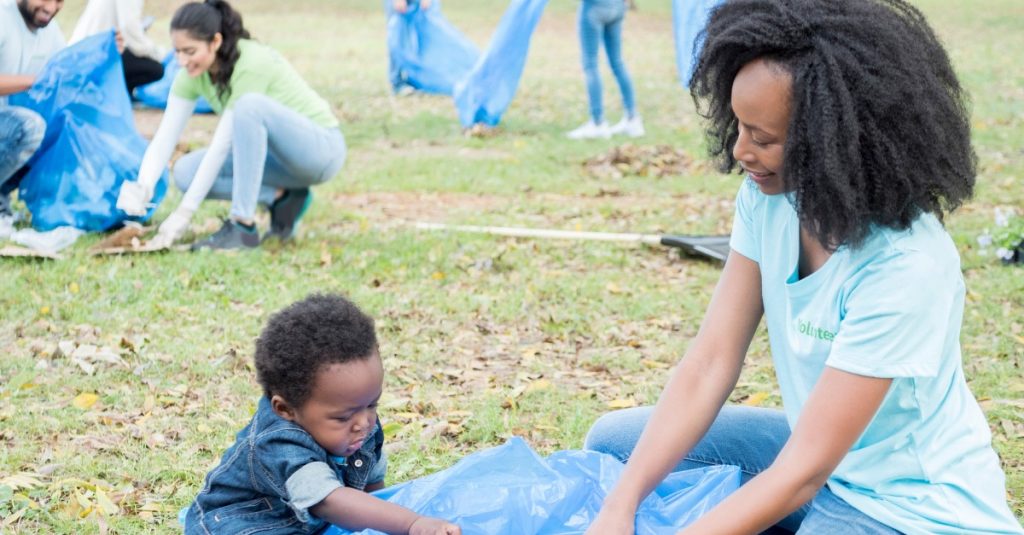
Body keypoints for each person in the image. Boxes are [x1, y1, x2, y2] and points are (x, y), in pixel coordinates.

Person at [582, 0, 1024, 533]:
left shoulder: (906, 265)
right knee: (615, 448)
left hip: (907, 507)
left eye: (762, 138)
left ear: (833, 140)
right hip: (818, 462)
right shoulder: (767, 198)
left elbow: (801, 474)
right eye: (738, 126)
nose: (739, 150)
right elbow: (711, 362)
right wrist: (620, 504)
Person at [184, 293, 461, 535]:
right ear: (286, 409)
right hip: (238, 526)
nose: (364, 423)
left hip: (304, 524)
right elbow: (328, 500)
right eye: (343, 417)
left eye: (372, 404)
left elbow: (374, 490)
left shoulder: (357, 420)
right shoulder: (279, 444)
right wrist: (411, 523)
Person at [116, 0, 347, 250]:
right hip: (277, 160)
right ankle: (283, 197)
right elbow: (164, 138)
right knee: (185, 172)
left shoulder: (251, 62)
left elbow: (221, 147)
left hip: (320, 152)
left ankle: (242, 226)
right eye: (177, 51)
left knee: (250, 107)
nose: (182, 61)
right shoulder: (192, 75)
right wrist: (143, 187)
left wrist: (183, 214)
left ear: (215, 41)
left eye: (190, 51)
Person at [0, 0, 66, 225]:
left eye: (59, 1)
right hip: (9, 125)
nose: (51, 7)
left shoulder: (51, 32)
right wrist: (33, 81)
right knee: (30, 127)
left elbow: (66, 69)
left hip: (6, 123)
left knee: (60, 128)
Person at [566, 0, 643, 140]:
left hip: (594, 7)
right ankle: (633, 119)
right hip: (617, 7)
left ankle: (597, 123)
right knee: (617, 62)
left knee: (591, 64)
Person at [70, 0, 165, 94]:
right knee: (156, 69)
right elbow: (130, 30)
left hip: (84, 53)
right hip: (93, 56)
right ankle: (114, 92)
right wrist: (156, 53)